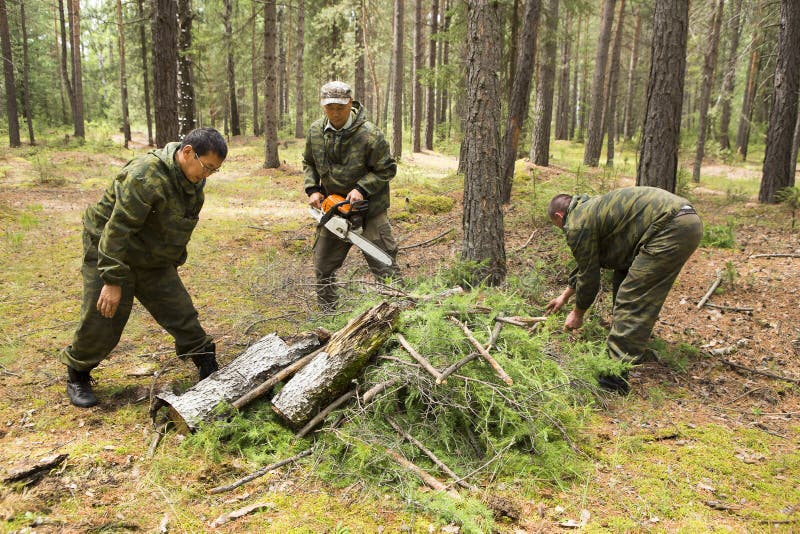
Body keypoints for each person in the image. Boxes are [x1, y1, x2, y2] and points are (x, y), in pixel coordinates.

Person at [60, 127, 228, 408]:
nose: (207, 175)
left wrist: (171, 263)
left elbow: (181, 223)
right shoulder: (145, 175)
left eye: (214, 170)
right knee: (103, 317)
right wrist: (112, 280)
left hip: (152, 255)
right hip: (109, 249)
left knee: (179, 310)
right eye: (207, 167)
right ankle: (78, 373)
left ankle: (205, 361)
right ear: (187, 152)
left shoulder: (192, 180)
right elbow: (117, 229)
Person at [545, 186, 703, 393]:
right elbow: (587, 263)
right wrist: (565, 296)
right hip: (685, 219)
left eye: (557, 225)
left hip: (670, 228)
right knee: (623, 279)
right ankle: (630, 346)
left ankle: (614, 378)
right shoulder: (589, 208)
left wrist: (578, 313)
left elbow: (590, 277)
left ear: (559, 215)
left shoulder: (576, 224)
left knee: (632, 299)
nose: (561, 230)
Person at [303, 81, 402, 309]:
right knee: (323, 267)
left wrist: (362, 188)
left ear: (350, 103)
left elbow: (387, 168)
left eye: (340, 107)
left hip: (369, 211)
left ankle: (401, 313)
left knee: (386, 268)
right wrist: (313, 189)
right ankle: (329, 317)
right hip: (333, 211)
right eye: (330, 108)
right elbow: (308, 162)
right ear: (322, 106)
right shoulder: (316, 131)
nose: (335, 113)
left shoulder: (370, 135)